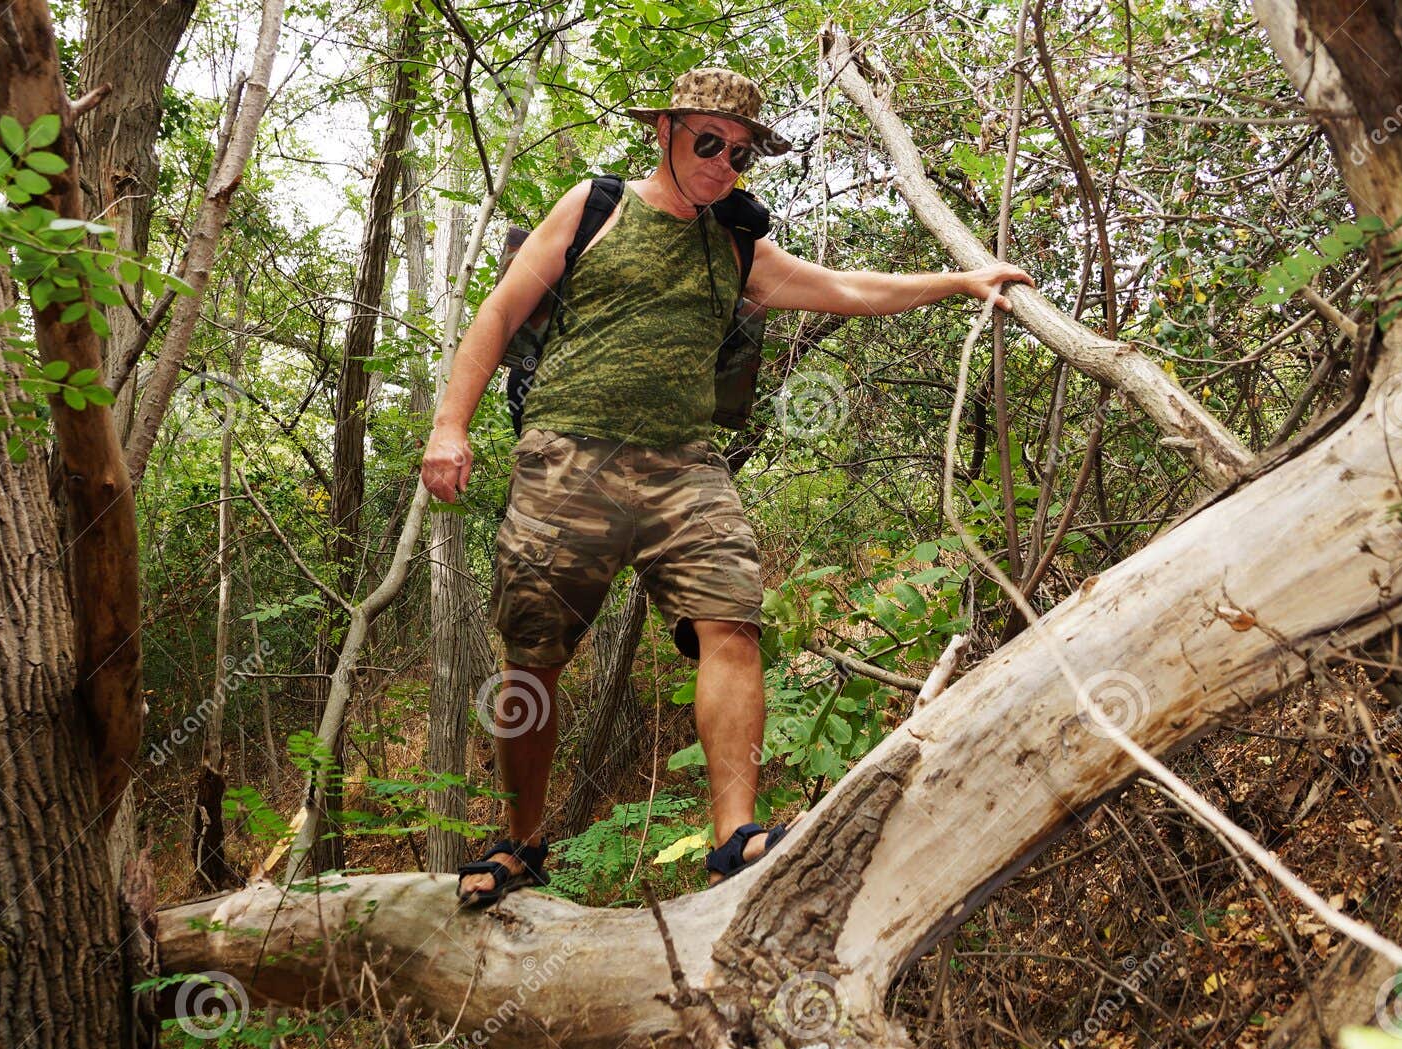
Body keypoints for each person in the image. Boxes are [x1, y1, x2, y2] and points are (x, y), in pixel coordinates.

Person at [420, 67, 1032, 907]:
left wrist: (963, 282)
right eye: (708, 141)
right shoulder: (595, 206)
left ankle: (734, 835)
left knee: (732, 620)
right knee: (532, 660)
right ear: (664, 130)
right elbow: (497, 313)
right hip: (566, 455)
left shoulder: (737, 246)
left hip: (684, 467)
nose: (723, 163)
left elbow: (848, 289)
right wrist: (449, 427)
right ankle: (521, 840)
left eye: (740, 152)